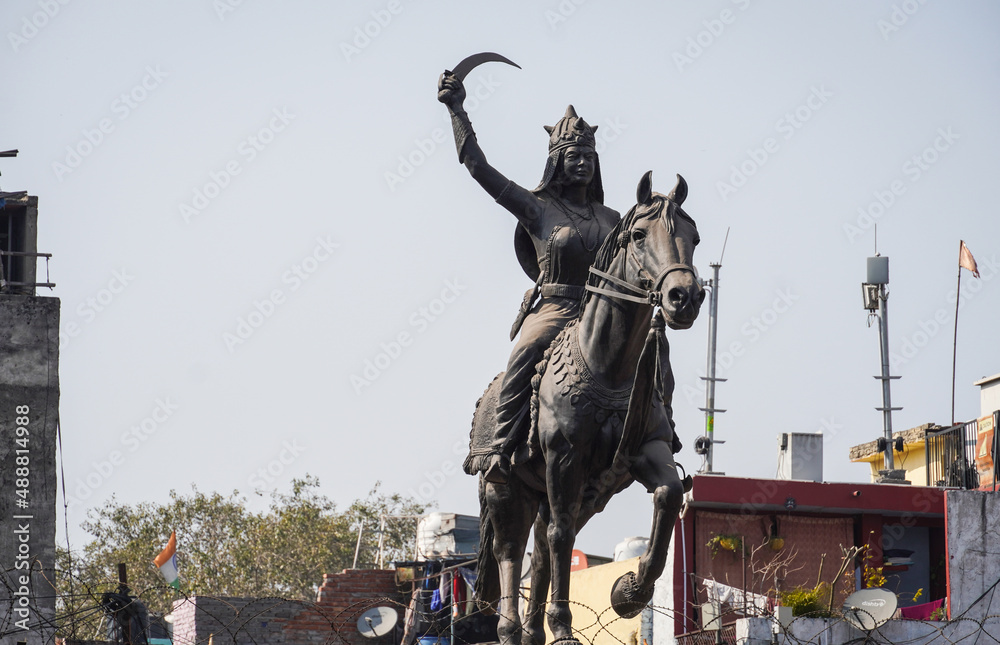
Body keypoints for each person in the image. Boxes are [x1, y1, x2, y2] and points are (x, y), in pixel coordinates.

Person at [438, 71, 620, 484]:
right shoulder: (536, 208)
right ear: (557, 162)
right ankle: (502, 447)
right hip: (555, 307)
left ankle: (660, 431)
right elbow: (477, 167)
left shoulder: (612, 218)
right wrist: (457, 110)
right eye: (574, 156)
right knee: (527, 349)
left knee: (648, 347)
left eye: (589, 157)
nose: (583, 163)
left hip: (600, 311)